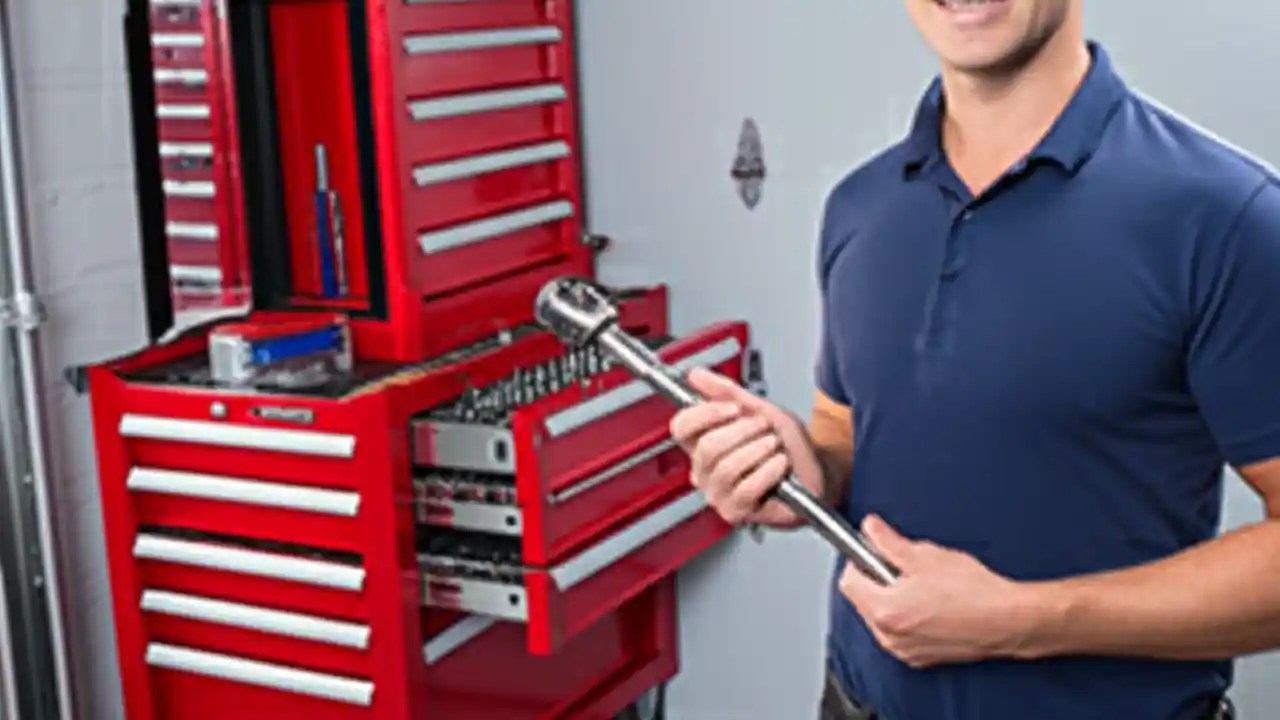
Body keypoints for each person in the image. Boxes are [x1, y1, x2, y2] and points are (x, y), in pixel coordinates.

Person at [668, 1, 1280, 718]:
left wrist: (1024, 621)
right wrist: (807, 468)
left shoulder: (1225, 217)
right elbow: (845, 435)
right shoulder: (859, 208)